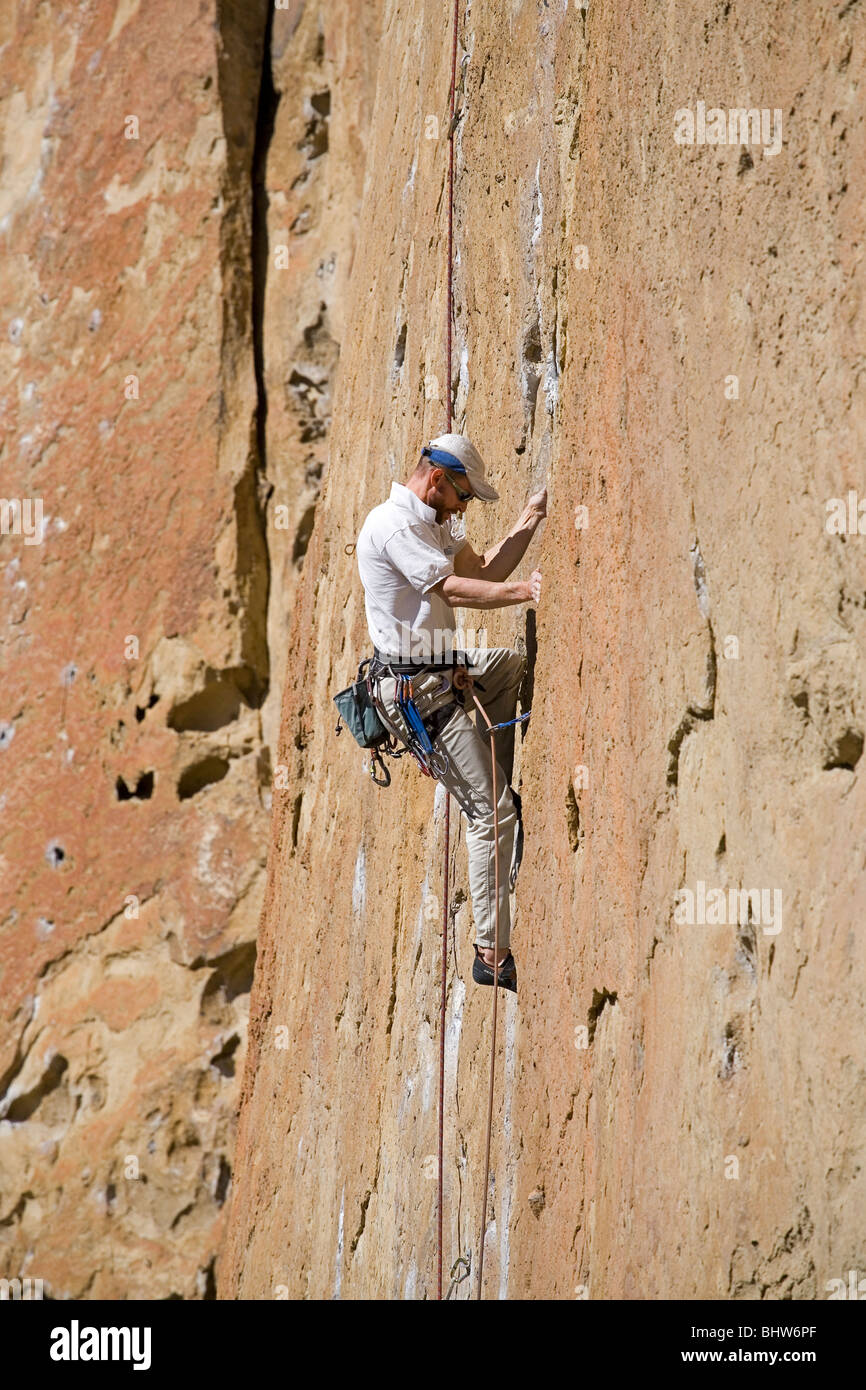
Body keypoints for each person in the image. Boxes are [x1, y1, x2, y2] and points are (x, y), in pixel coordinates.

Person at [355, 433, 545, 992]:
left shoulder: (438, 524)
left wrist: (530, 518)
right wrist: (524, 594)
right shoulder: (391, 526)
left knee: (506, 668)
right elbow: (454, 590)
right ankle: (491, 951)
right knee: (490, 813)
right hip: (417, 695)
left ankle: (496, 790)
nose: (465, 507)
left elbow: (480, 570)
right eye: (463, 495)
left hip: (443, 670)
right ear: (437, 480)